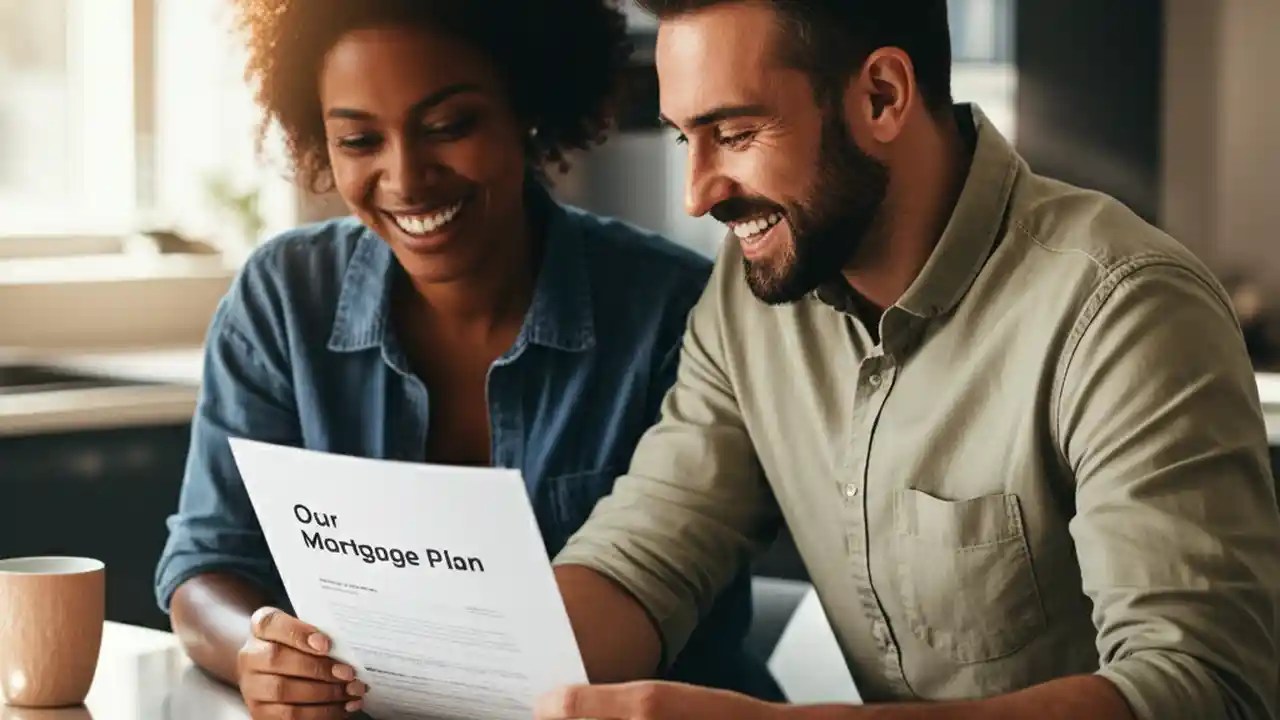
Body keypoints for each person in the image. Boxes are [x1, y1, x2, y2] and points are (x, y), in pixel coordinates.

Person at [536, 2, 1280, 719]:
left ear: (882, 97)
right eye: (682, 139)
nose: (698, 194)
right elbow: (648, 552)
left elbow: (1203, 690)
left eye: (734, 131)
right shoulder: (750, 294)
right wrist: (472, 669)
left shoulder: (1123, 308)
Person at [153, 1, 778, 717]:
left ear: (527, 110)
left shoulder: (674, 311)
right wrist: (257, 648)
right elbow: (207, 561)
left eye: (449, 127)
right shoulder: (285, 301)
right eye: (359, 139)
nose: (406, 178)